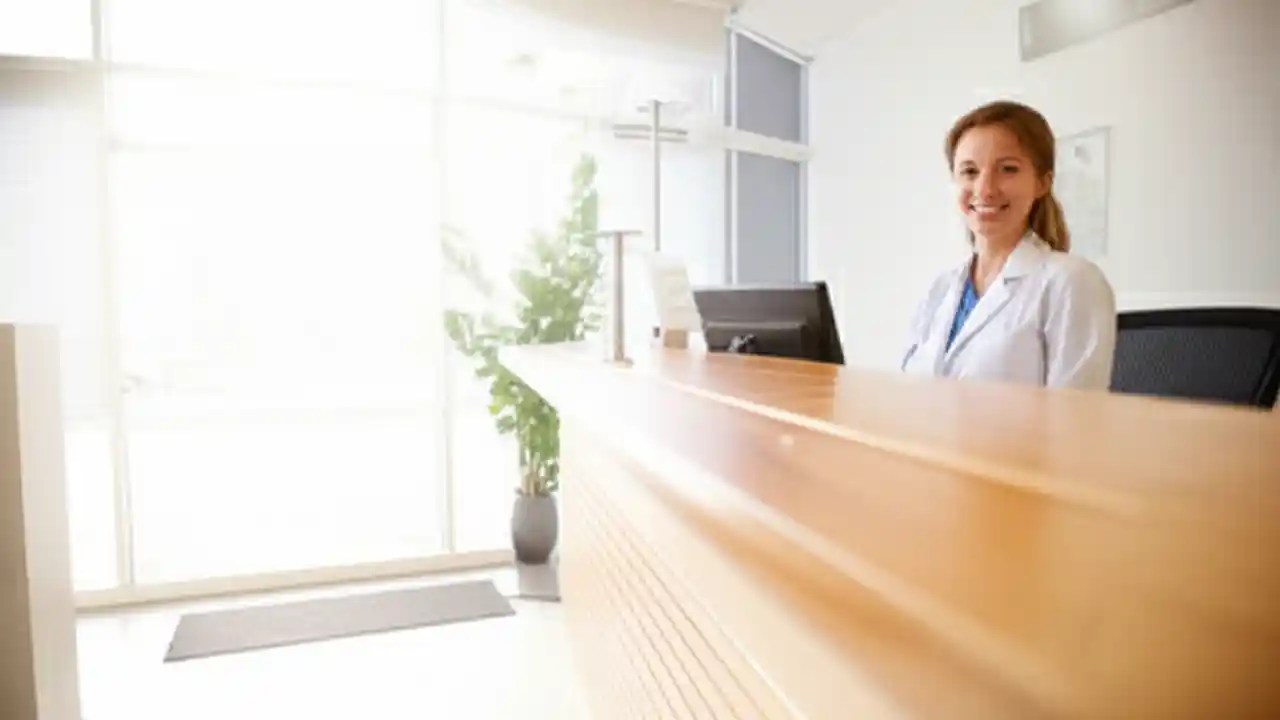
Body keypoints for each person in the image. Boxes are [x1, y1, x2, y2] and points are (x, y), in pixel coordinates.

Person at [901, 101, 1116, 390]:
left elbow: (1075, 421)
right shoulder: (940, 290)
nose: (985, 189)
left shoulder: (1072, 281)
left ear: (1042, 183)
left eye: (1008, 169)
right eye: (969, 171)